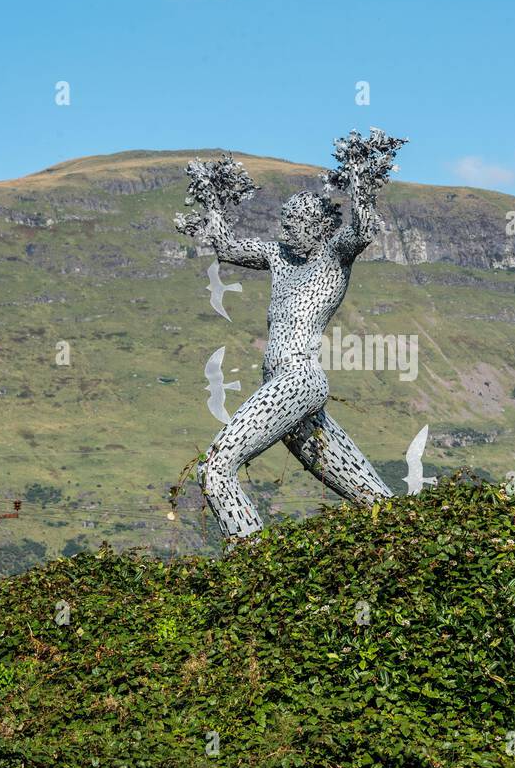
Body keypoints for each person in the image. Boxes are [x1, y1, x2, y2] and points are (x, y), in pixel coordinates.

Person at [174, 129, 406, 538]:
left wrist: (360, 184)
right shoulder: (278, 256)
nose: (286, 231)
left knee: (217, 465)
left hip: (299, 379)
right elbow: (227, 249)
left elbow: (364, 231)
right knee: (375, 503)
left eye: (296, 224)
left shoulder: (334, 256)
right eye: (284, 222)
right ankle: (412, 536)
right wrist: (213, 203)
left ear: (320, 227)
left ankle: (251, 563)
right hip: (279, 382)